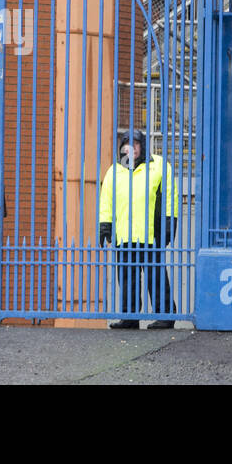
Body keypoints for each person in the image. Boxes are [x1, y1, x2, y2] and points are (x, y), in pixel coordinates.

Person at [97, 130, 178, 329]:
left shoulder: (158, 166)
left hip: (151, 234)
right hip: (124, 235)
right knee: (127, 277)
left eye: (135, 144)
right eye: (126, 144)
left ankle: (165, 315)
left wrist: (169, 224)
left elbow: (170, 196)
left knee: (155, 276)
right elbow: (106, 200)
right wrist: (105, 226)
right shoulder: (114, 171)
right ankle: (130, 317)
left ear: (142, 146)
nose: (130, 148)